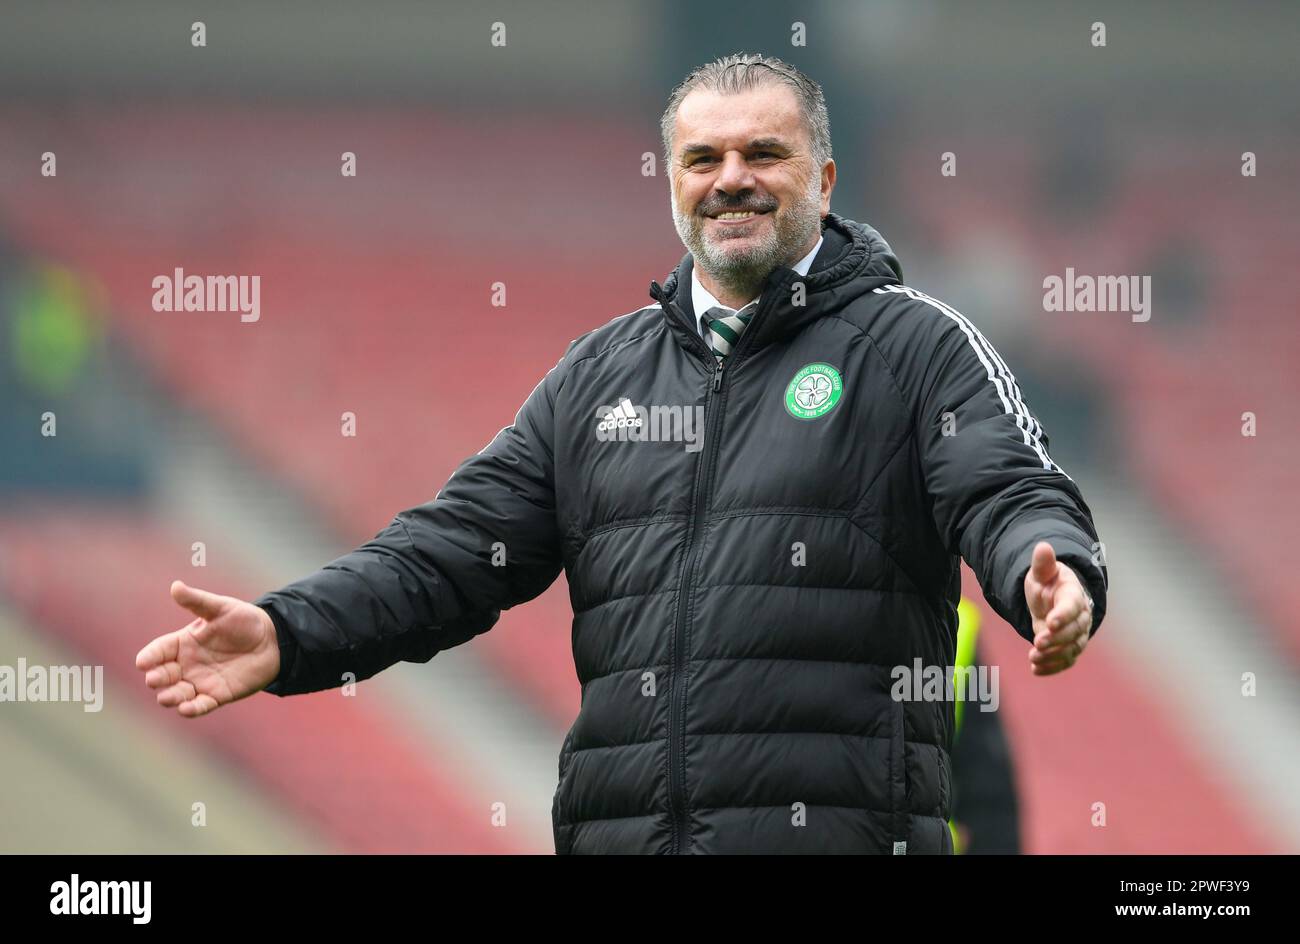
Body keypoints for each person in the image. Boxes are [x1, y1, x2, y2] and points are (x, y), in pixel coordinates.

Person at [136, 52, 1106, 854]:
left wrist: (1051, 575)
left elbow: (1007, 484)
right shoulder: (598, 375)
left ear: (822, 180)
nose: (731, 178)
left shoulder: (917, 345)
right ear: (674, 182)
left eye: (764, 153)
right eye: (703, 158)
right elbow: (451, 550)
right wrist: (290, 630)